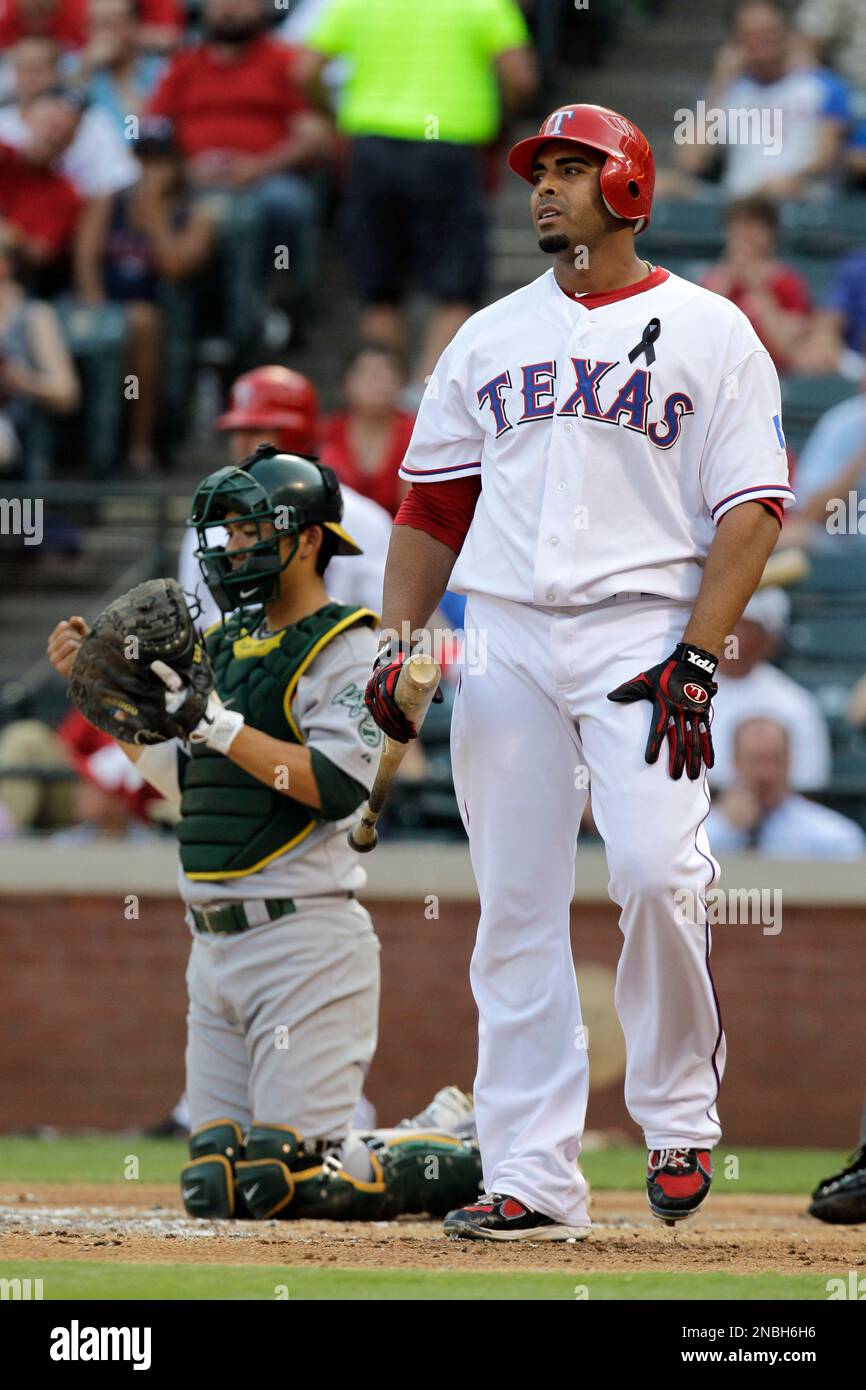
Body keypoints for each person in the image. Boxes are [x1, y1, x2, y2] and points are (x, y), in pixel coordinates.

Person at [364, 102, 794, 1240]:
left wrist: (696, 658)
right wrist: (402, 636)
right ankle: (531, 1174)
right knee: (511, 902)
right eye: (539, 170)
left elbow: (751, 506)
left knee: (657, 872)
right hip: (501, 628)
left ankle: (676, 1118)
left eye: (571, 168)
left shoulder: (712, 330)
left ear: (630, 186)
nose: (545, 186)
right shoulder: (488, 333)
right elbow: (431, 499)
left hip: (642, 626)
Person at [47, 446, 481, 1222]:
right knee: (214, 1188)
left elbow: (336, 785)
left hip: (303, 942)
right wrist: (107, 708)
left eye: (248, 529)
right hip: (212, 945)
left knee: (281, 1182)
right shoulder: (216, 646)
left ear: (306, 538)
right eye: (227, 533)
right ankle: (401, 1139)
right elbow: (192, 786)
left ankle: (451, 1149)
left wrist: (209, 723)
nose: (231, 548)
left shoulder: (349, 643)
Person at [298, 0, 537, 385]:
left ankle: (384, 397)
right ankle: (428, 398)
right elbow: (520, 77)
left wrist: (336, 118)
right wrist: (500, 121)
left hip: (373, 148)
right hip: (449, 149)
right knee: (455, 286)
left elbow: (305, 69)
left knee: (380, 288)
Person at [146, 0, 333, 313]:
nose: (229, 10)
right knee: (145, 200)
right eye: (219, 4)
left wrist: (259, 167)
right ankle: (171, 305)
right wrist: (185, 169)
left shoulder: (285, 60)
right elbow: (152, 130)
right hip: (193, 180)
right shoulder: (184, 65)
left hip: (266, 179)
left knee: (287, 204)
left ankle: (275, 296)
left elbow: (315, 134)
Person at [177, 364, 392, 626]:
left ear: (297, 433)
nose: (241, 443)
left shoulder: (363, 519)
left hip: (334, 660)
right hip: (233, 662)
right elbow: (197, 625)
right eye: (237, 431)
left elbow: (389, 625)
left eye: (255, 430)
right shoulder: (212, 522)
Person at [73, 115, 215, 473]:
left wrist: (153, 220)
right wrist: (100, 311)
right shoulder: (110, 202)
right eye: (143, 160)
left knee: (144, 322)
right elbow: (85, 259)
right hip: (105, 310)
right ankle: (105, 444)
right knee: (131, 324)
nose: (150, 171)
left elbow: (176, 266)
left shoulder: (194, 214)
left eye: (159, 161)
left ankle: (139, 443)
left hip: (166, 321)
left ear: (176, 164)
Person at [675, 0, 850, 200]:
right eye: (752, 35)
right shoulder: (725, 92)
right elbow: (689, 161)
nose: (764, 42)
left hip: (802, 198)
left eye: (770, 32)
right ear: (736, 42)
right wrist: (720, 83)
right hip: (737, 202)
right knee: (662, 187)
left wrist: (790, 180)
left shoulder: (823, 86)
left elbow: (826, 157)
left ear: (786, 32)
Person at [710, 588, 831, 791]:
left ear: (768, 641)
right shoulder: (683, 686)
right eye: (724, 623)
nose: (728, 636)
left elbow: (809, 781)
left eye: (741, 627)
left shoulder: (795, 703)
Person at [707, 716, 865, 856]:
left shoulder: (833, 838)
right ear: (735, 762)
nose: (765, 773)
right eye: (756, 760)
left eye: (774, 759)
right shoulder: (703, 831)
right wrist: (729, 830)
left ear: (790, 760)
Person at [0, 47, 139, 199]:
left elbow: (121, 176)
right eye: (25, 70)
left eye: (39, 70)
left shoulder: (96, 120)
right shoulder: (4, 124)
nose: (32, 79)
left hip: (80, 204)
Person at [700, 197, 813, 374]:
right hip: (720, 375)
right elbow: (699, 334)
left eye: (752, 225)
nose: (743, 234)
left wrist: (757, 289)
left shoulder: (788, 282)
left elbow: (786, 347)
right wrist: (727, 279)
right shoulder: (714, 280)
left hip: (771, 376)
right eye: (736, 226)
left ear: (770, 232)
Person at [0, 245, 79, 468]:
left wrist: (19, 378)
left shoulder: (34, 316)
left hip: (9, 424)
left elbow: (66, 392)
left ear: (6, 265)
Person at [319, 343, 414, 517]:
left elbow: (417, 509)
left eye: (387, 373)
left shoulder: (416, 432)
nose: (377, 381)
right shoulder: (326, 433)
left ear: (401, 383)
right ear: (345, 384)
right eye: (367, 374)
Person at [75, 0, 166, 136]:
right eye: (98, 24)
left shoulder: (160, 70)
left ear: (134, 26)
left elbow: (135, 133)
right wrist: (86, 69)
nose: (106, 33)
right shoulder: (74, 68)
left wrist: (122, 79)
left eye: (113, 23)